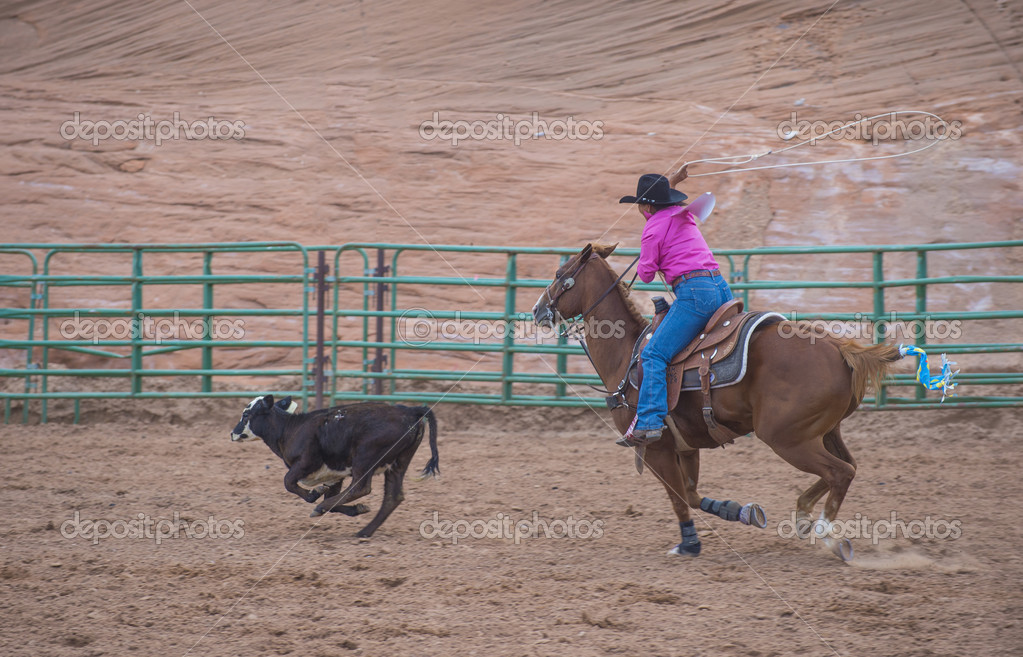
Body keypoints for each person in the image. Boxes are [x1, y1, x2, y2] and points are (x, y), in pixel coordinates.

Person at [617, 166, 733, 447]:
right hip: (721, 288)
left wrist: (647, 251)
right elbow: (659, 200)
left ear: (645, 206)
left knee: (654, 354)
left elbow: (645, 274)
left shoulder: (652, 228)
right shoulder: (683, 214)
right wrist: (676, 179)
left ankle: (649, 421)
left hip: (694, 293)